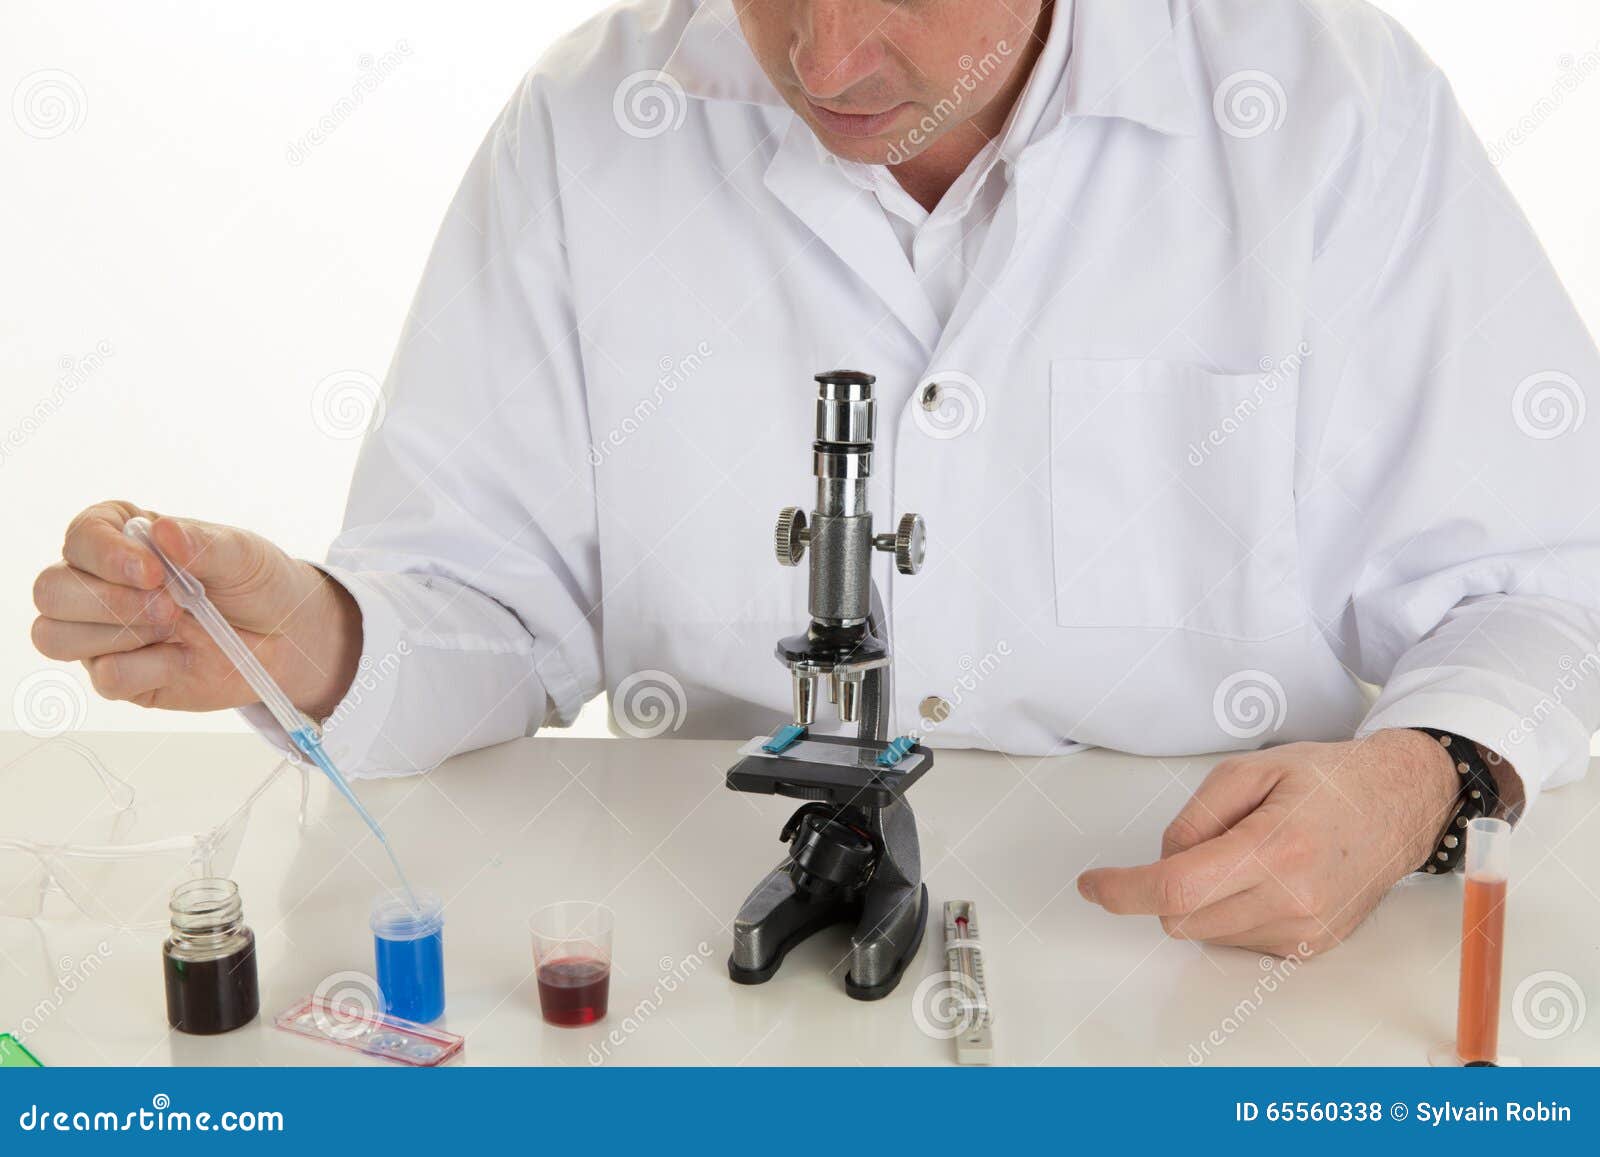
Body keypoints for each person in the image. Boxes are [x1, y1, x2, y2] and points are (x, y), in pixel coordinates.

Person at [31, 0, 1600, 957]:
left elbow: (1551, 576)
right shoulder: (595, 126)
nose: (825, 56)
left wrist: (1420, 781)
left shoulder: (1332, 116)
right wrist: (314, 635)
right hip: (723, 926)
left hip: (1235, 962)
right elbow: (481, 599)